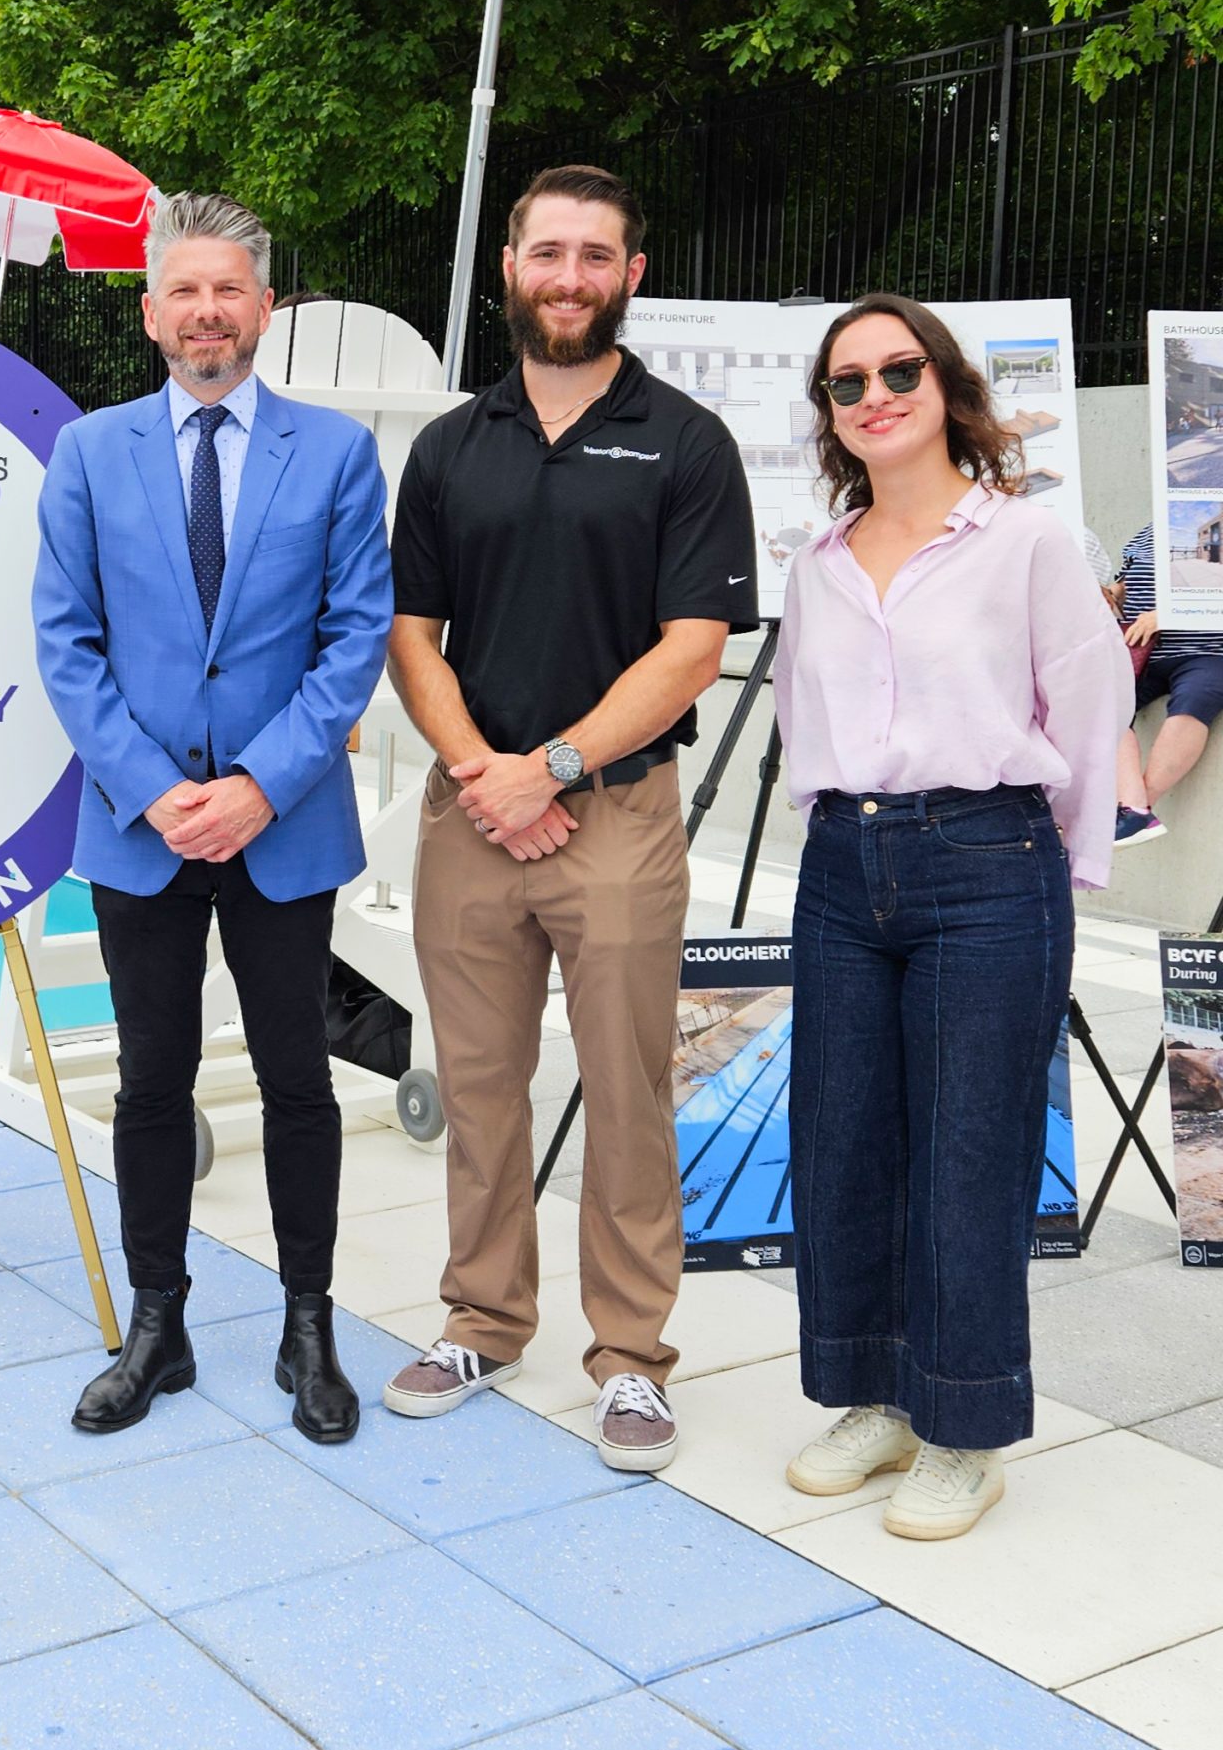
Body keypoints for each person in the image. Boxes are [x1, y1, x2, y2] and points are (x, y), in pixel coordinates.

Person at [380, 165, 757, 1472]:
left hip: (615, 815)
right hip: (471, 807)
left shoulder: (687, 440)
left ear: (631, 273)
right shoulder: (451, 445)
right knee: (480, 1085)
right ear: (510, 265)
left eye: (598, 254)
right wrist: (489, 768)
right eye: (550, 252)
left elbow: (693, 648)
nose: (571, 276)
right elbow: (409, 637)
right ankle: (482, 1318)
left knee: (630, 1091)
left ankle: (632, 1358)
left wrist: (552, 766)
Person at [33, 192, 393, 1443]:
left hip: (280, 825)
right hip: (141, 827)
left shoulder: (335, 453)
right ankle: (158, 1322)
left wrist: (257, 787)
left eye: (227, 290)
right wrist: (154, 790)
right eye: (182, 292)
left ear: (265, 307)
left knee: (299, 1079)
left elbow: (353, 639)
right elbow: (65, 644)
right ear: (149, 313)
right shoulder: (90, 452)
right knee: (149, 1081)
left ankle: (308, 1325)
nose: (205, 313)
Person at [774, 293, 1128, 1539]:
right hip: (841, 862)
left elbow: (1090, 708)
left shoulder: (1025, 541)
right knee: (842, 1138)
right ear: (827, 415)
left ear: (944, 383)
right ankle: (875, 1391)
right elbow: (797, 729)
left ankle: (965, 1425)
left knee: (969, 1151)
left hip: (987, 861)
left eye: (896, 370)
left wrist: (1055, 884)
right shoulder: (813, 564)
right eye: (844, 382)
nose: (872, 395)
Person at [1111, 522, 1223, 845]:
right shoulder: (1148, 529)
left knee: (1196, 697)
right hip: (1143, 650)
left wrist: (1171, 613)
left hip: (1208, 650)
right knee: (1101, 702)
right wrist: (1110, 594)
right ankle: (1135, 809)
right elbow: (1126, 583)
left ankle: (1134, 808)